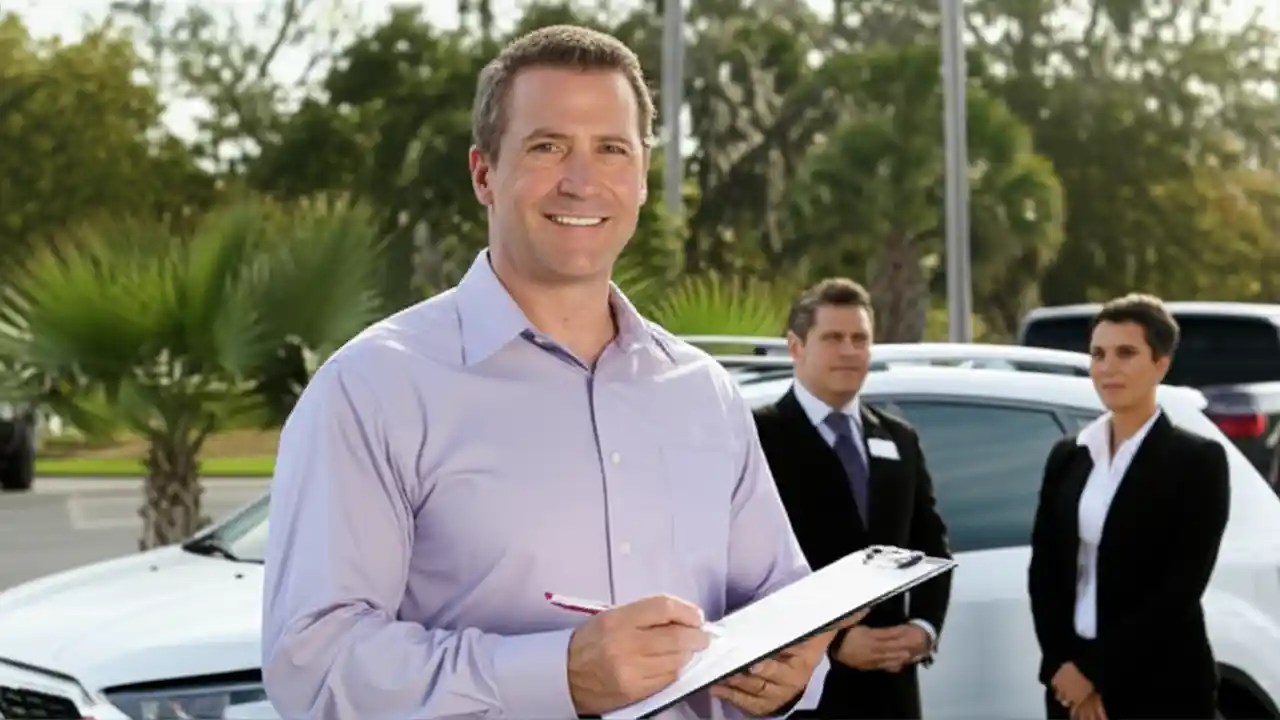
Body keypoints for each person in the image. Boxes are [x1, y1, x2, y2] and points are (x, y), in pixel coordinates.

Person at [259, 24, 840, 720]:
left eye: (611, 150)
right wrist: (556, 676)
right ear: (483, 173)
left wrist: (793, 672)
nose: (581, 180)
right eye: (547, 146)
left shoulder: (704, 394)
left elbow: (780, 603)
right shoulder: (373, 390)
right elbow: (313, 665)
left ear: (642, 176)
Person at [752, 278, 953, 719]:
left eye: (859, 339)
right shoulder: (758, 437)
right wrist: (833, 640)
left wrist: (923, 628)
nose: (848, 351)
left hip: (892, 690)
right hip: (802, 692)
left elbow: (931, 545)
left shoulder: (898, 438)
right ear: (795, 347)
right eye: (833, 338)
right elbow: (745, 569)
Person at [1028, 293, 1231, 720]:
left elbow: (1178, 589)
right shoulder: (1069, 455)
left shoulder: (1196, 461)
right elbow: (1045, 570)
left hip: (1159, 684)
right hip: (1070, 684)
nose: (1107, 367)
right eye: (1098, 354)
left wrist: (1096, 673)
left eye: (1126, 353)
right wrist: (1060, 665)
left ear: (1161, 364)